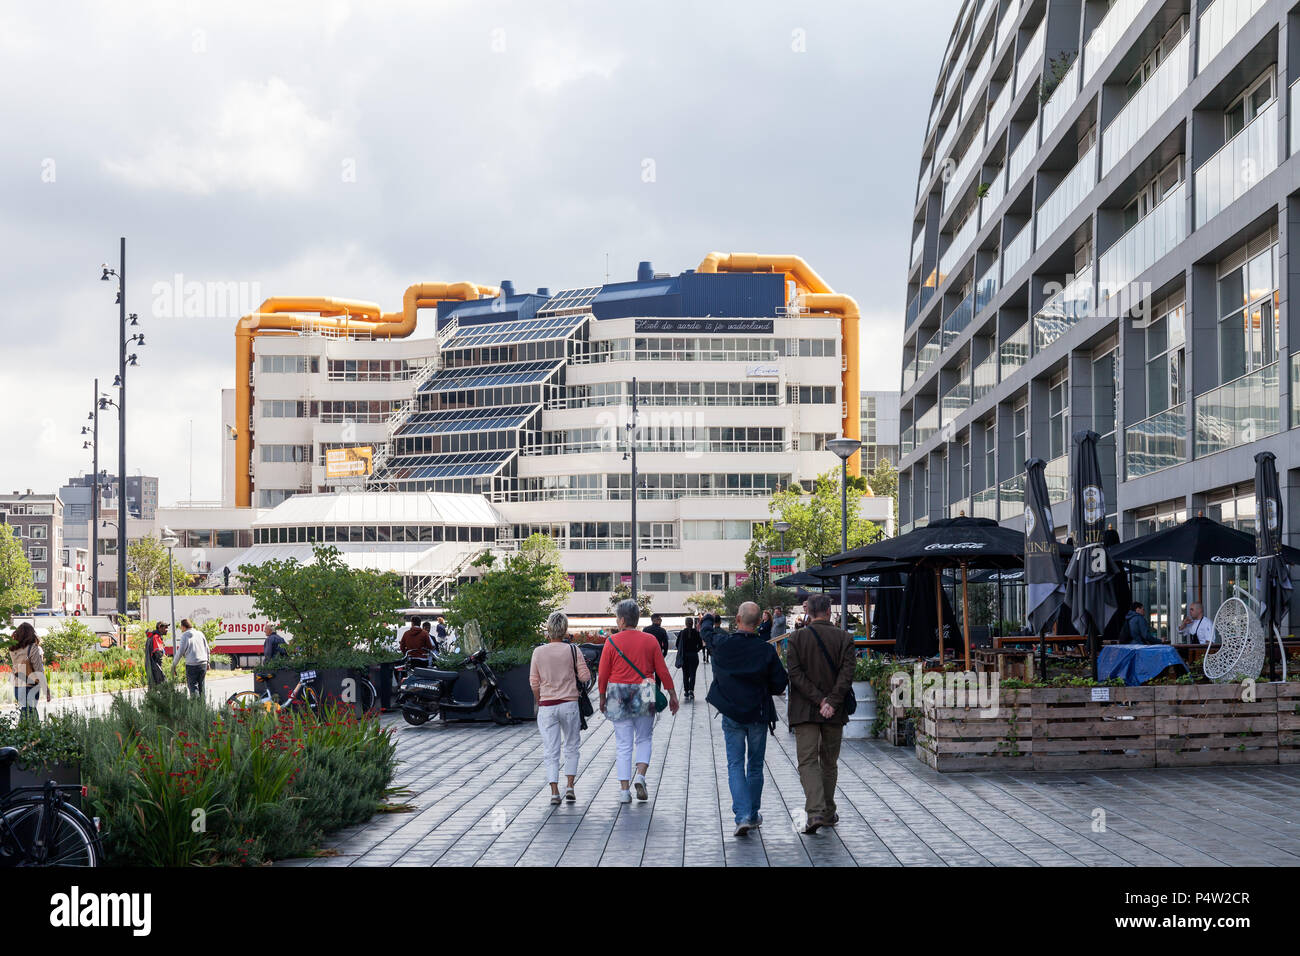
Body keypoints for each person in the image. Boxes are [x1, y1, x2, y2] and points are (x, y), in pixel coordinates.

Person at [706, 602, 789, 836]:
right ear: (758, 622)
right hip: (758, 714)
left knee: (734, 764)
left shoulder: (724, 645)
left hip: (732, 713)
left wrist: (709, 618)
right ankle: (752, 814)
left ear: (738, 619)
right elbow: (780, 683)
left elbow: (707, 634)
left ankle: (742, 815)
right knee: (755, 765)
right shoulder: (765, 650)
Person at [786, 593, 855, 833]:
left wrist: (818, 699)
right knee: (829, 762)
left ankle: (815, 812)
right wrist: (832, 702)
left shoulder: (796, 638)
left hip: (805, 709)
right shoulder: (844, 638)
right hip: (834, 713)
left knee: (807, 761)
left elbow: (794, 674)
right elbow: (847, 675)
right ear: (829, 611)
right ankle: (827, 811)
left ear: (809, 613)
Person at [598, 598, 678, 804]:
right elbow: (662, 670)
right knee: (644, 738)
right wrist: (672, 694)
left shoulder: (611, 642)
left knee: (623, 744)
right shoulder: (650, 640)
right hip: (645, 689)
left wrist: (601, 697)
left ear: (623, 620)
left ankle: (624, 791)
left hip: (618, 692)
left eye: (617, 618)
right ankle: (641, 776)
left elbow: (603, 673)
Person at [530, 611, 590, 805]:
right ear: (564, 630)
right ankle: (570, 787)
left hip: (547, 705)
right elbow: (585, 677)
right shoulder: (573, 650)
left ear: (548, 629)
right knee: (572, 746)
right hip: (570, 704)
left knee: (551, 750)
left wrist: (540, 700)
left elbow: (534, 682)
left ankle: (554, 792)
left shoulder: (538, 652)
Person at [9, 623, 49, 720]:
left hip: (18, 685)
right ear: (31, 634)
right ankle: (33, 733)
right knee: (31, 713)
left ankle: (22, 732)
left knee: (24, 711)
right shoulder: (32, 648)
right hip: (31, 685)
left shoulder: (13, 649)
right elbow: (39, 670)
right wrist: (46, 689)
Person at [171, 619, 210, 698]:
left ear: (183, 626)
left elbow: (180, 652)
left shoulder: (185, 636)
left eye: (181, 627)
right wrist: (208, 662)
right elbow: (207, 649)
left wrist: (174, 665)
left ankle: (196, 707)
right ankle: (203, 707)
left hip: (192, 665)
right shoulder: (200, 634)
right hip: (203, 664)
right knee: (201, 686)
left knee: (193, 687)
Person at [674, 616, 703, 700]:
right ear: (692, 623)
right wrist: (695, 650)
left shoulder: (682, 633)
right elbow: (701, 645)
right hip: (694, 656)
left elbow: (677, 644)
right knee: (693, 674)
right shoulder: (696, 632)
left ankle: (686, 691)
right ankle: (691, 690)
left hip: (684, 656)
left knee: (685, 674)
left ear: (685, 623)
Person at [145, 621, 169, 685]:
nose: (167, 630)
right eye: (165, 627)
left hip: (151, 666)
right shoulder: (156, 637)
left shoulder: (152, 636)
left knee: (154, 687)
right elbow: (158, 653)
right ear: (159, 628)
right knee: (162, 685)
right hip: (155, 667)